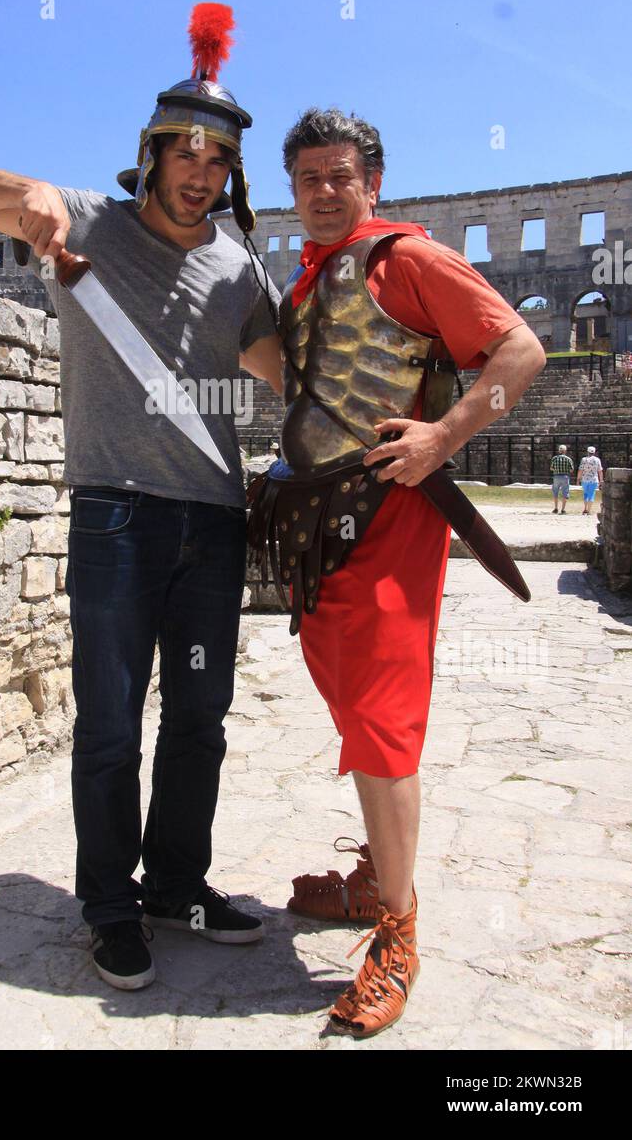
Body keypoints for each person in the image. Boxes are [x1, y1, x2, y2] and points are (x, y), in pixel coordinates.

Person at [0, 4, 283, 991]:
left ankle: (175, 885)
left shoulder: (238, 265)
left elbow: (284, 376)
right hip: (117, 517)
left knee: (199, 720)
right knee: (110, 726)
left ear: (230, 174)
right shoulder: (87, 220)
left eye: (218, 161)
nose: (200, 173)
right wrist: (32, 193)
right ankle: (109, 905)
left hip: (213, 521)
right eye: (186, 153)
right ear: (152, 154)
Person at [247, 108, 545, 1039]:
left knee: (381, 720)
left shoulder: (408, 260)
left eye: (341, 175)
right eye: (309, 178)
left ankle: (400, 932)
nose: (325, 191)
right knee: (351, 704)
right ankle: (379, 873)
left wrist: (443, 436)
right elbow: (303, 385)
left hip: (391, 516)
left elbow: (522, 351)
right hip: (319, 524)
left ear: (372, 182)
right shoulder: (305, 283)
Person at [577, 445, 603, 515]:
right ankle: (589, 510)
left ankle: (585, 508)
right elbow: (600, 471)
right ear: (594, 452)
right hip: (594, 480)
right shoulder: (597, 460)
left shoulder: (584, 459)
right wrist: (601, 480)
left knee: (585, 494)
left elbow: (580, 470)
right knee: (591, 495)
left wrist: (578, 479)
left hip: (585, 479)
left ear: (587, 452)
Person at [550, 444, 574, 513]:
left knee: (555, 492)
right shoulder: (568, 459)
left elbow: (551, 468)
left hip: (556, 477)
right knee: (565, 493)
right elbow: (571, 469)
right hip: (565, 477)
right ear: (565, 451)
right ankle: (563, 509)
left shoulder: (554, 458)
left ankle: (556, 508)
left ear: (559, 451)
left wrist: (556, 470)